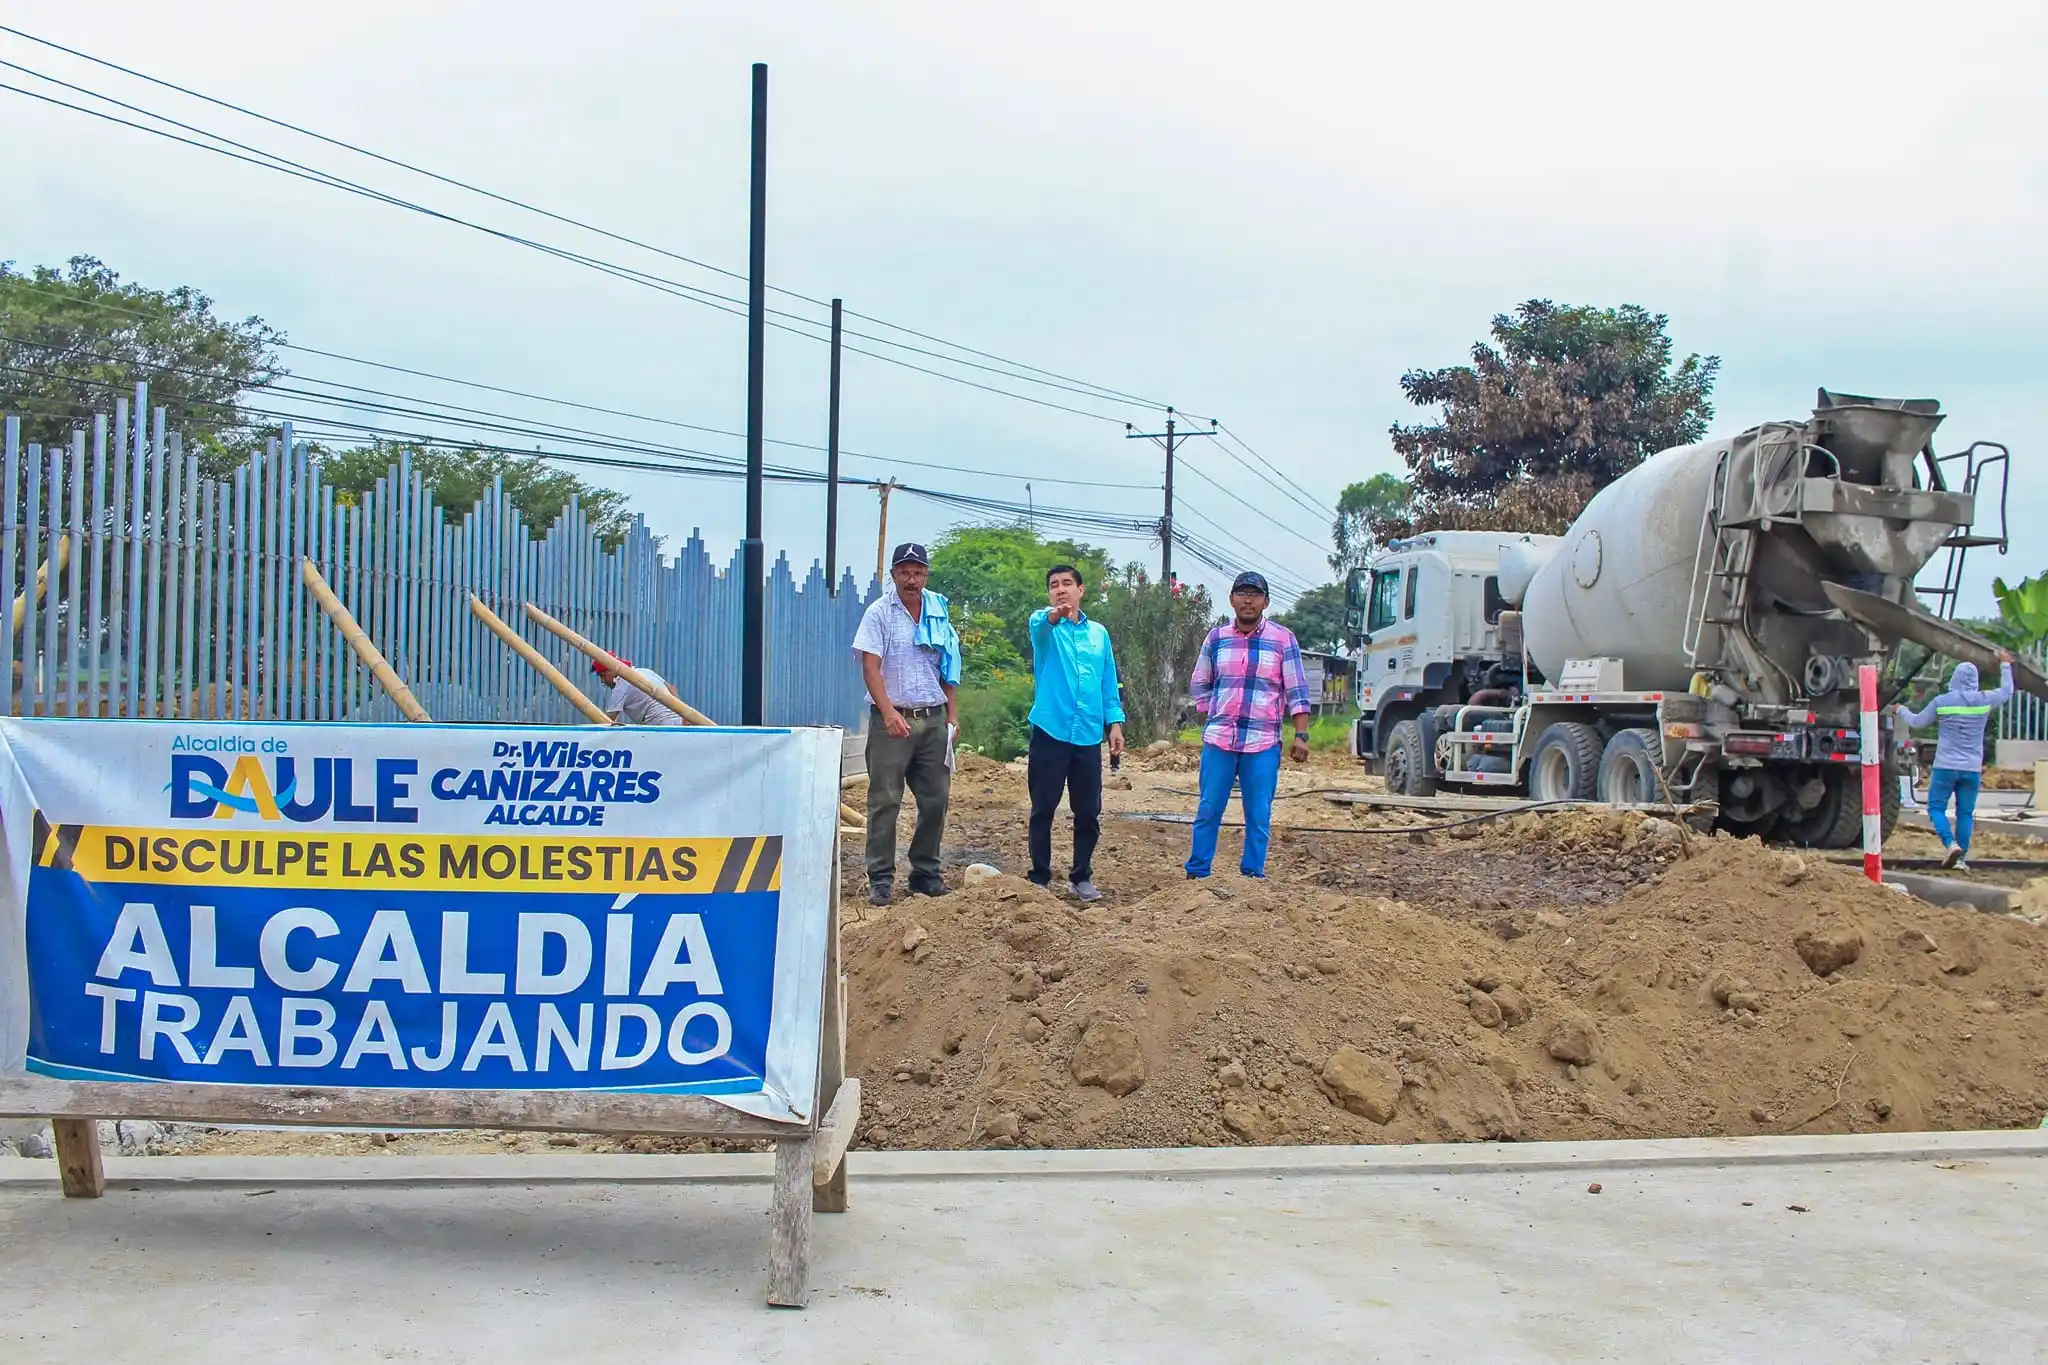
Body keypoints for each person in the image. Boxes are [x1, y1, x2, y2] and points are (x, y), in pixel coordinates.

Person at [851, 542, 962, 905]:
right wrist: (887, 712)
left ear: (926, 574)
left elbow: (950, 666)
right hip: (892, 721)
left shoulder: (938, 611)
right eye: (904, 572)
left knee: (936, 800)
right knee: (885, 801)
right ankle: (880, 878)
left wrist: (952, 717)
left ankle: (925, 873)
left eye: (918, 572)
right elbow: (870, 666)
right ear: (894, 574)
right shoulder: (879, 613)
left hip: (932, 719)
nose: (911, 579)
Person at [1185, 571, 1313, 880]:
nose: (1248, 600)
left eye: (1255, 595)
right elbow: (1200, 683)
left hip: (1263, 742)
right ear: (1231, 600)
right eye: (1242, 593)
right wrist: (1214, 711)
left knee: (1258, 814)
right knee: (1208, 809)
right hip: (1220, 741)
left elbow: (1296, 689)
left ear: (1265, 602)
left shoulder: (1283, 640)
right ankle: (1198, 872)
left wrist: (1302, 734)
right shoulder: (1216, 638)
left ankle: (1252, 875)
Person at [1025, 563, 1126, 902]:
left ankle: (1081, 876)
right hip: (1049, 732)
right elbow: (1040, 626)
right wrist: (1054, 616)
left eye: (1067, 583)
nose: (1061, 589)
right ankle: (1038, 877)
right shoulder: (1044, 628)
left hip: (1086, 736)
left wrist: (1115, 723)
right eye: (1054, 584)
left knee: (1087, 810)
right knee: (1043, 807)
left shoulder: (1099, 634)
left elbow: (1107, 682)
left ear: (1081, 590)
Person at [1896, 649, 2015, 870]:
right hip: (1972, 768)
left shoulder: (1942, 701)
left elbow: (1917, 722)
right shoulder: (1984, 700)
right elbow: (2007, 691)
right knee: (1965, 813)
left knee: (1936, 808)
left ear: (1955, 679)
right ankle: (1961, 859)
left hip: (1946, 766)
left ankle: (1950, 844)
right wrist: (2005, 665)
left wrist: (1901, 710)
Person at [593, 656, 686, 725]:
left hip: (660, 725)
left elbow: (609, 719)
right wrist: (684, 715)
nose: (602, 681)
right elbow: (671, 688)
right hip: (678, 721)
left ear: (611, 670)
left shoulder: (622, 683)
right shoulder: (645, 671)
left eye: (602, 675)